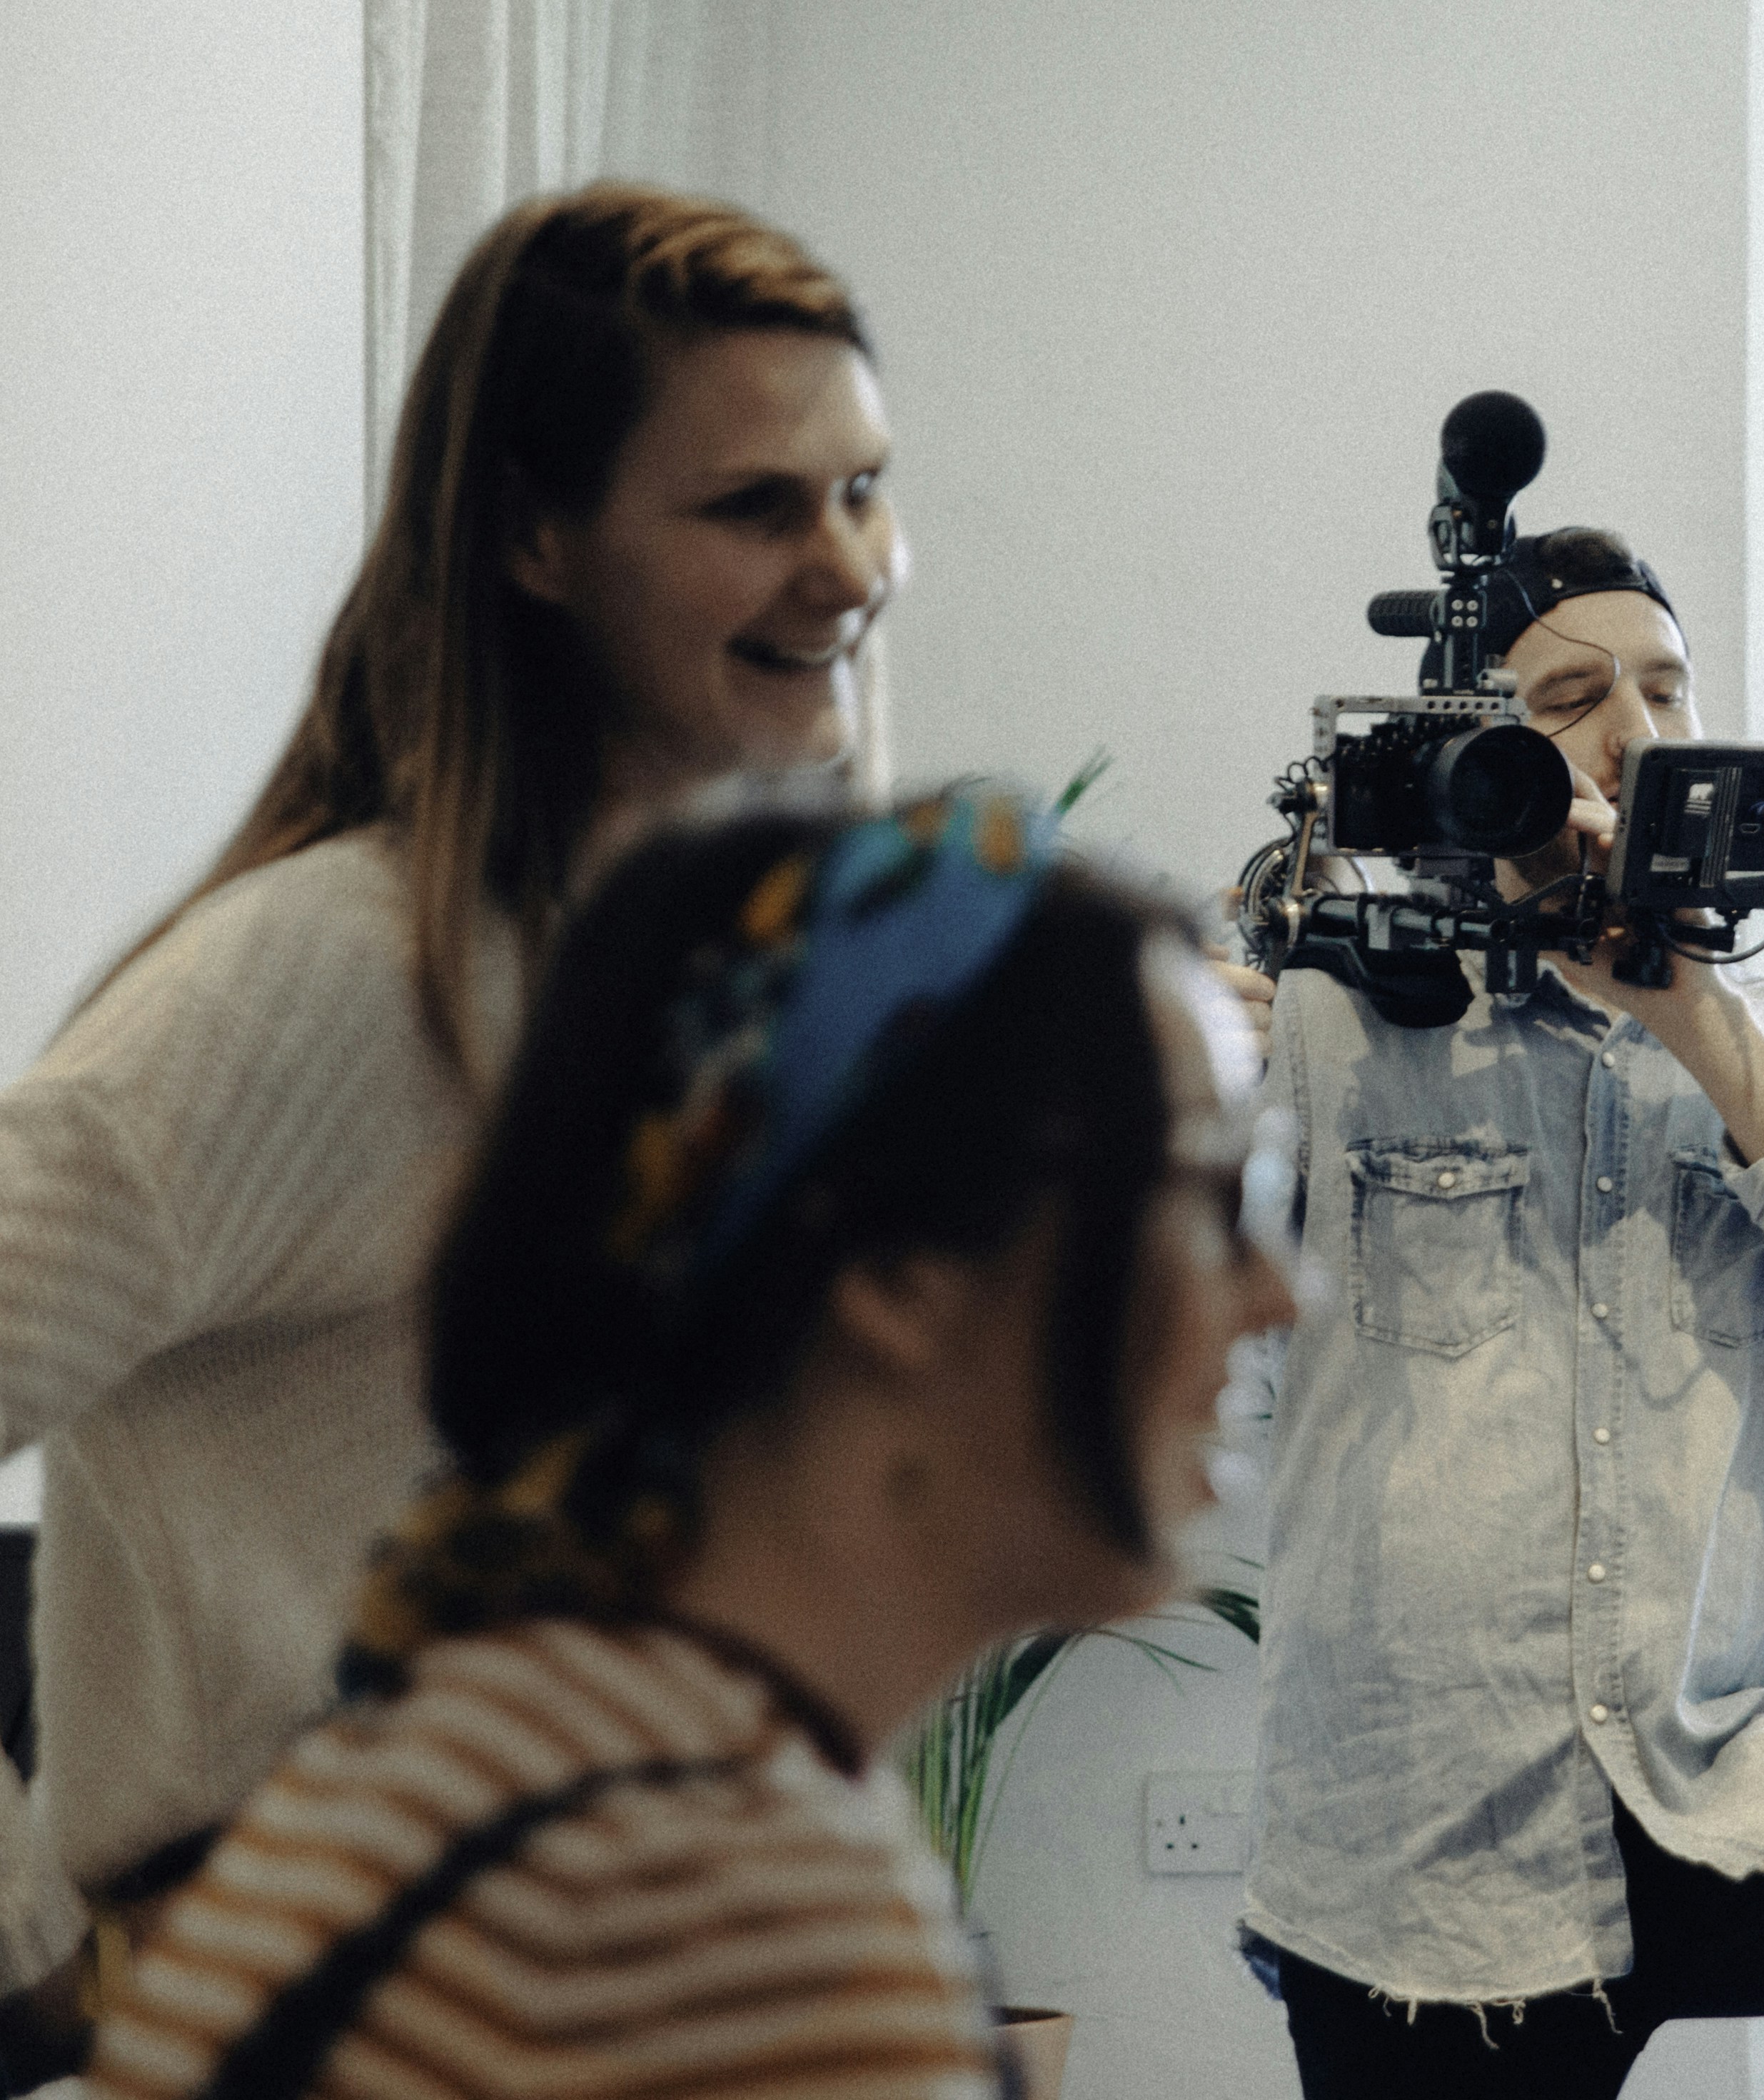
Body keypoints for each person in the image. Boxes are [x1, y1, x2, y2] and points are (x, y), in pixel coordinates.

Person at [0, 181, 903, 2062]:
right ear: (532, 536)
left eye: (863, 491)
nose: (847, 569)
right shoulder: (319, 981)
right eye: (754, 507)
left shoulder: (696, 971)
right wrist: (38, 1955)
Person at [82, 787, 1296, 2099]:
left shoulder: (502, 1750)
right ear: (900, 1271)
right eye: (1210, 1189)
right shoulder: (728, 1913)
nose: (1280, 1292)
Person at [1242, 527, 1764, 2099]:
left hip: (1720, 1765)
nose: (1633, 730)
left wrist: (1701, 1018)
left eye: (1667, 689)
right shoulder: (1333, 1024)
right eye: (1569, 699)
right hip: (1427, 1831)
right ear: (1471, 760)